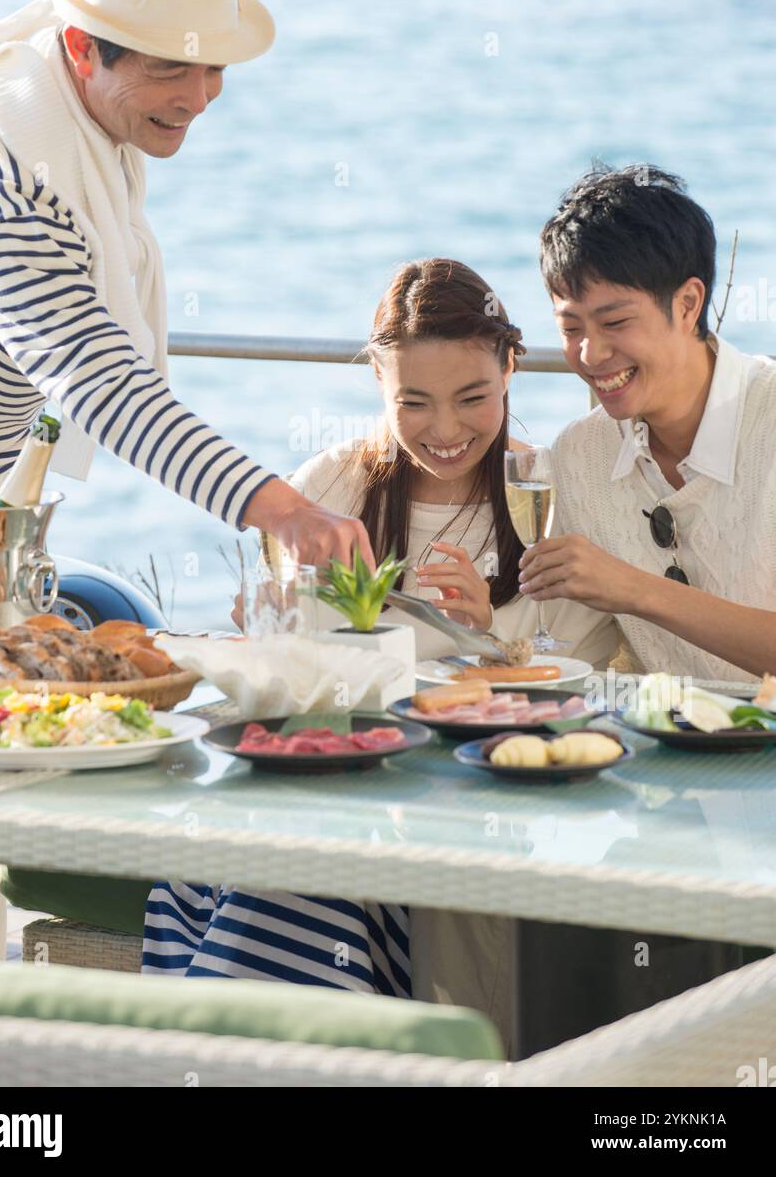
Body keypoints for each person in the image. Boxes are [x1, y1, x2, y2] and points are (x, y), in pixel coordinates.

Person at [0, 0, 373, 960]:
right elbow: (99, 384)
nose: (199, 96)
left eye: (214, 68)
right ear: (84, 48)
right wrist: (279, 508)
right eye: (172, 67)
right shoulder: (8, 170)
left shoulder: (68, 117)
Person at [142, 259, 619, 1023]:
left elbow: (574, 684)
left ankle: (221, 1046)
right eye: (413, 403)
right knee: (238, 861)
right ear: (377, 383)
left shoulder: (548, 491)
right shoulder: (330, 491)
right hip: (327, 788)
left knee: (290, 881)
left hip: (456, 811)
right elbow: (287, 674)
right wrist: (269, 627)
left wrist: (488, 639)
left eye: (473, 398)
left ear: (510, 367)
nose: (445, 431)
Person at [519, 164, 776, 682]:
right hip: (653, 733)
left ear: (687, 305)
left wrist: (636, 590)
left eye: (615, 322)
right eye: (570, 328)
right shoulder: (579, 454)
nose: (590, 353)